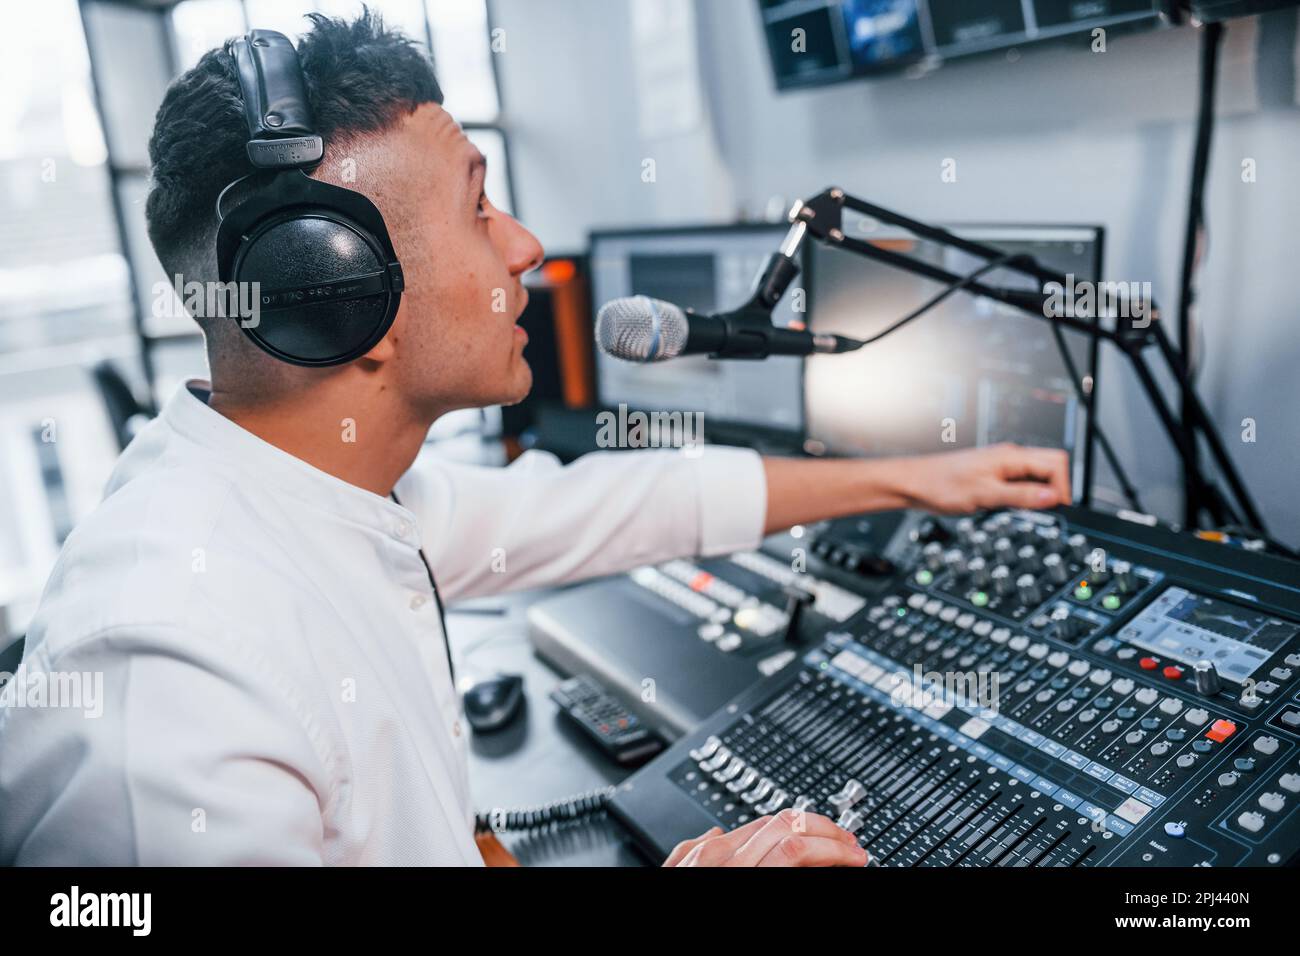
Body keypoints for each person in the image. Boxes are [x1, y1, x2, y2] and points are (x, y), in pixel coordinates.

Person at [0, 11, 1069, 867]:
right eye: (477, 209)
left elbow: (616, 503)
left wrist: (925, 476)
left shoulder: (321, 491)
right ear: (329, 285)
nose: (525, 244)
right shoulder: (175, 690)